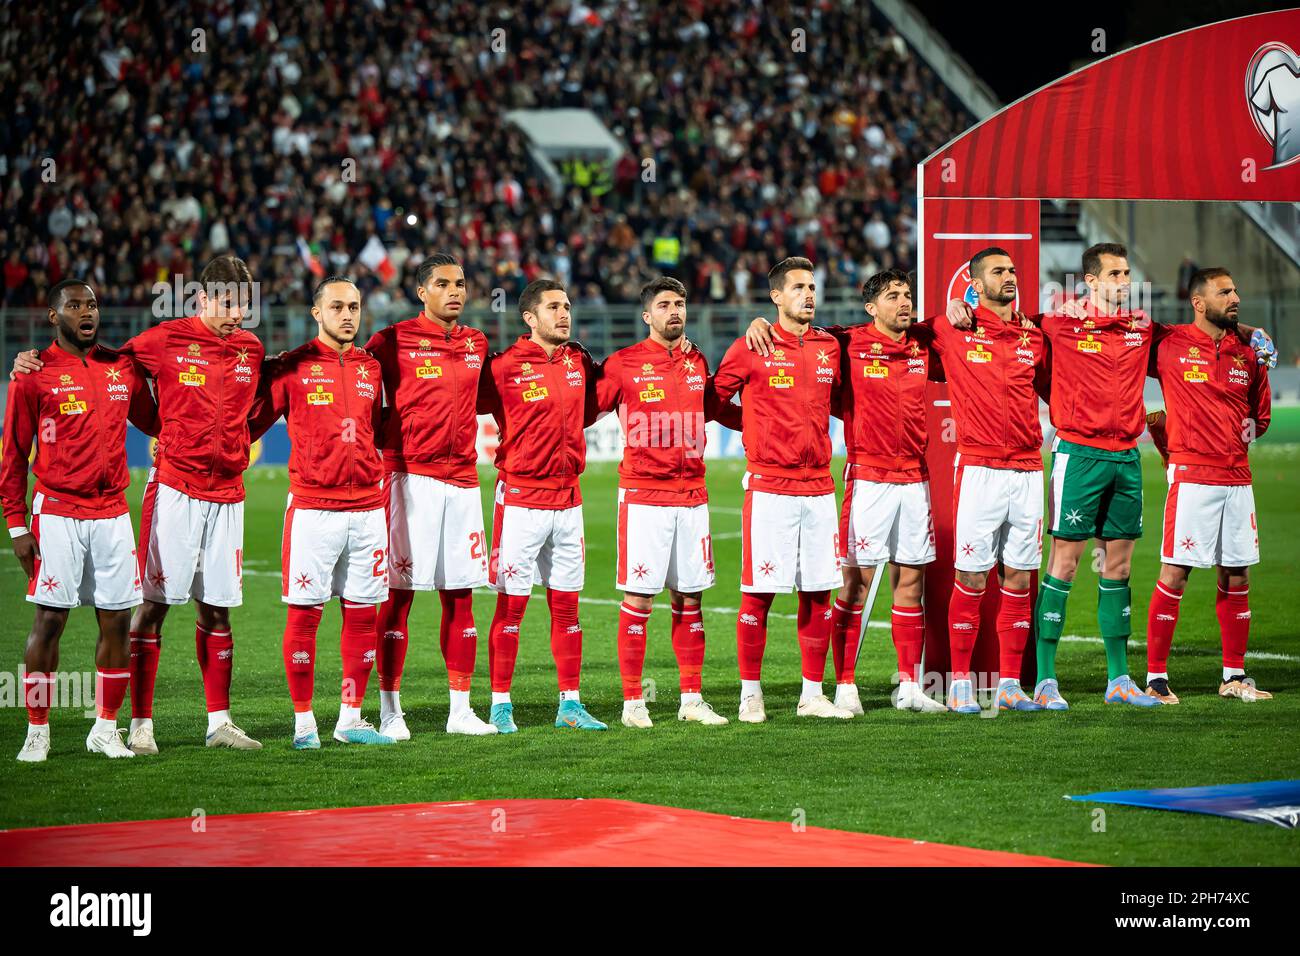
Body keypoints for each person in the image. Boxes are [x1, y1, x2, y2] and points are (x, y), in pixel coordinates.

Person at [11, 255, 266, 752]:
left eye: (245, 305)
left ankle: (219, 723)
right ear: (203, 299)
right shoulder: (164, 340)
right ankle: (140, 724)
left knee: (218, 610)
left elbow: (258, 405)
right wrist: (35, 360)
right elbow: (107, 363)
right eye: (229, 304)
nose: (238, 315)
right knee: (150, 607)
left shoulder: (250, 349)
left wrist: (235, 442)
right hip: (172, 489)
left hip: (227, 495)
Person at [747, 268, 946, 713]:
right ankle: (846, 686)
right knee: (855, 584)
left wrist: (956, 310)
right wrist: (760, 321)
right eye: (893, 296)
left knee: (910, 582)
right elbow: (795, 332)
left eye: (908, 295)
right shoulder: (845, 343)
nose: (904, 303)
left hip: (915, 478)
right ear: (871, 308)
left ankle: (911, 687)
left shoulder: (924, 344)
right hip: (869, 477)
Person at [3, 280, 159, 761]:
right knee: (49, 621)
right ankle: (37, 730)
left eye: (91, 304)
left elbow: (155, 421)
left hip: (112, 513)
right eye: (73, 305)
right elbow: (13, 455)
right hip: (57, 513)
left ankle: (105, 729)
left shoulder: (122, 368)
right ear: (54, 317)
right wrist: (16, 525)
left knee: (116, 623)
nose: (85, 312)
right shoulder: (32, 375)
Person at [250, 277, 396, 748]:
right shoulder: (290, 367)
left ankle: (350, 719)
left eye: (354, 306)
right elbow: (250, 424)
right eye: (337, 307)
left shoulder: (370, 368)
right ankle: (304, 724)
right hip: (314, 509)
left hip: (370, 508)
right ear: (316, 313)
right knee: (305, 615)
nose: (348, 315)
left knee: (362, 615)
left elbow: (377, 428)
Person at [593, 276, 739, 728]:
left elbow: (715, 407)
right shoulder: (623, 364)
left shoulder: (696, 360)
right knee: (638, 599)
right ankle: (633, 703)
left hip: (693, 495)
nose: (674, 311)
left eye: (679, 303)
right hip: (644, 496)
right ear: (646, 315)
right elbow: (582, 410)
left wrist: (760, 423)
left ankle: (691, 699)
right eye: (664, 305)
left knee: (690, 599)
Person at [712, 257, 850, 722]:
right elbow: (713, 401)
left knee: (818, 592)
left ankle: (813, 695)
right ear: (776, 297)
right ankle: (750, 693)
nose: (808, 294)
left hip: (818, 488)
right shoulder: (752, 345)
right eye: (797, 288)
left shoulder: (832, 346)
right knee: (759, 591)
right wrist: (752, 424)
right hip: (771, 486)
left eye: (812, 287)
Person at [364, 253, 496, 738]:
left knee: (460, 594)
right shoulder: (390, 340)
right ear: (422, 291)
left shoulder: (477, 342)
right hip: (407, 479)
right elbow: (361, 396)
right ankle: (389, 709)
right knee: (397, 597)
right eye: (443, 284)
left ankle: (460, 710)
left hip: (462, 480)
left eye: (460, 283)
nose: (455, 291)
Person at [478, 279, 606, 732]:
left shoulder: (579, 361)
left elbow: (593, 406)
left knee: (568, 609)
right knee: (511, 607)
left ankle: (570, 704)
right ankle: (499, 704)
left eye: (567, 305)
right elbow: (463, 404)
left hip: (569, 501)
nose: (564, 314)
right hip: (520, 501)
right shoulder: (503, 367)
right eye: (554, 307)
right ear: (529, 318)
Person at [1144, 268, 1273, 703]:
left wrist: (1234, 438)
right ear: (1198, 302)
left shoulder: (1250, 353)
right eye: (1225, 292)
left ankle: (1234, 675)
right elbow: (1120, 342)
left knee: (1237, 576)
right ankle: (1156, 678)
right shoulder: (1167, 342)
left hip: (1237, 478)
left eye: (1236, 289)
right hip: (1192, 477)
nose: (1235, 297)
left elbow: (1262, 416)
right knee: (1175, 574)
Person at [927, 248, 1047, 714]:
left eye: (1013, 270)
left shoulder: (1033, 336)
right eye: (999, 271)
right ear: (975, 284)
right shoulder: (950, 328)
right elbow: (893, 335)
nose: (1010, 276)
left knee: (1018, 578)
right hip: (978, 468)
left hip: (1028, 469)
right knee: (971, 576)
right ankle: (959, 684)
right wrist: (950, 309)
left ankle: (1010, 685)